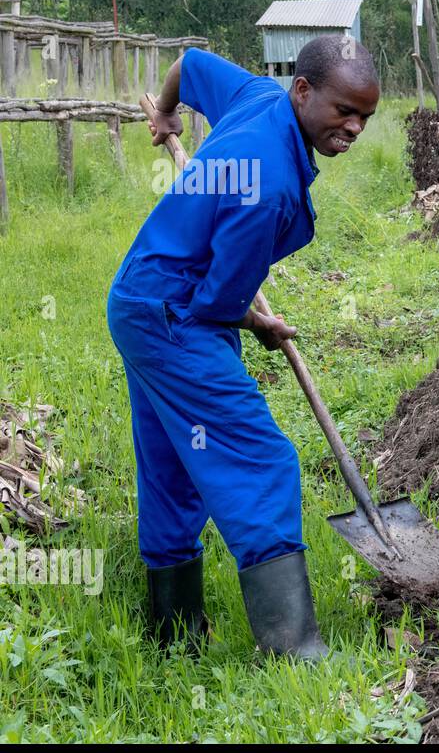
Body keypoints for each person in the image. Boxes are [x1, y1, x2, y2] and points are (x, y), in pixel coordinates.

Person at [107, 36, 380, 658]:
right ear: (304, 91)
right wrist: (248, 321)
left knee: (175, 463)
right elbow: (217, 305)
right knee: (261, 460)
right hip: (176, 318)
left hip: (140, 300)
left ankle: (174, 633)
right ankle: (295, 650)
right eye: (344, 111)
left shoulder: (260, 96)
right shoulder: (271, 186)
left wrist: (167, 112)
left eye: (365, 115)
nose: (355, 126)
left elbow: (191, 63)